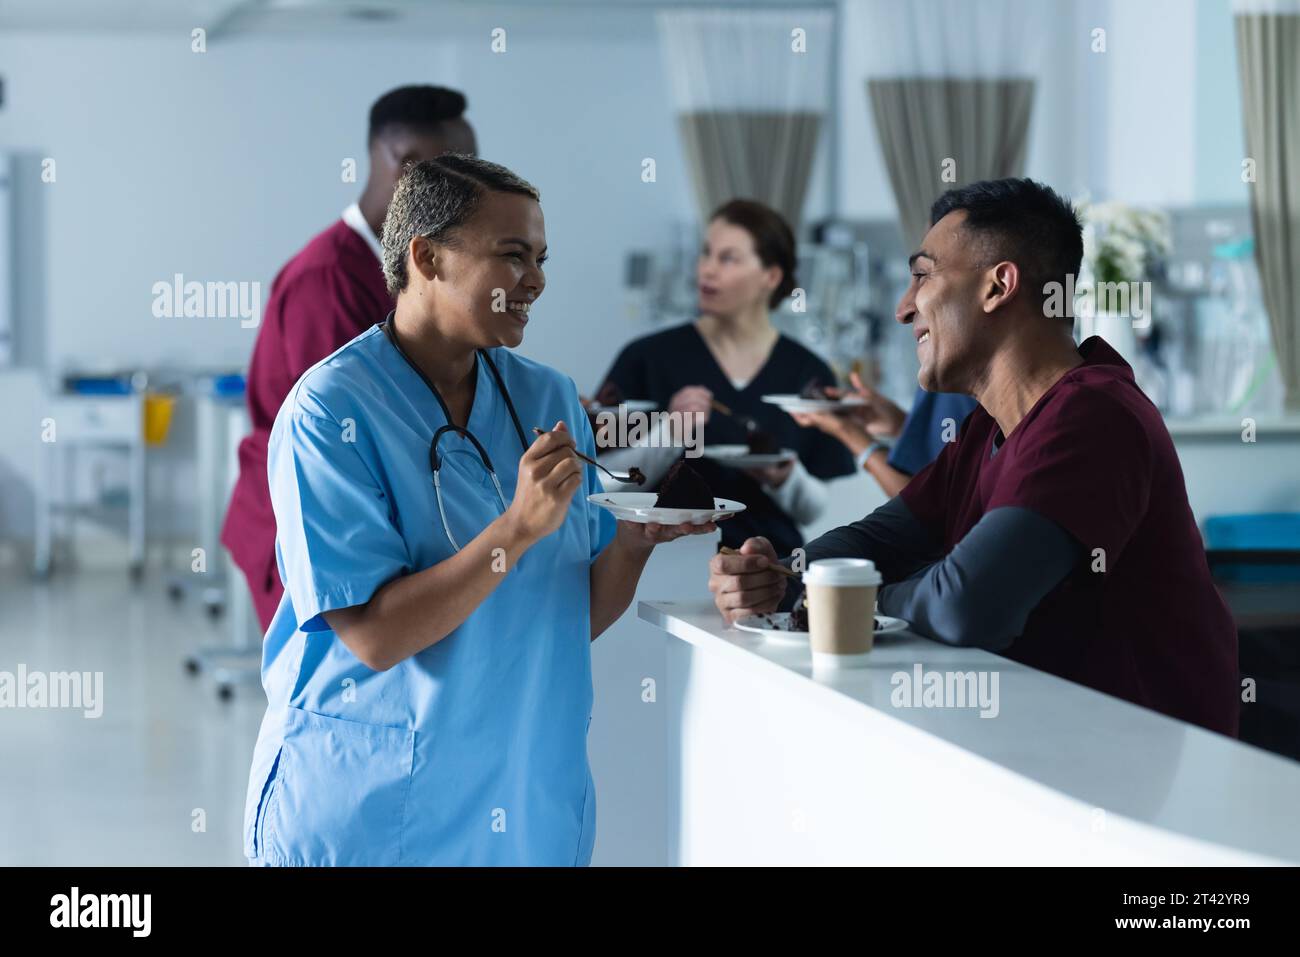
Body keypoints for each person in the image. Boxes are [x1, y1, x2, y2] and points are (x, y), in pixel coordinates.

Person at [243, 156, 717, 867]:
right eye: (512, 255)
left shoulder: (549, 400)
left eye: (541, 259)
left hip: (521, 802)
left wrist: (631, 543)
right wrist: (516, 528)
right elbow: (373, 635)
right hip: (372, 806)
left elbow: (564, 615)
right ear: (427, 257)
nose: (536, 280)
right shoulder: (330, 413)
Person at [708, 178, 1239, 736]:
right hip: (1050, 754)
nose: (903, 308)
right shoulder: (986, 426)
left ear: (998, 287)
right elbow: (875, 541)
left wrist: (834, 597)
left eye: (921, 276)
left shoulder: (1092, 417)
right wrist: (783, 575)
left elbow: (965, 606)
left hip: (1137, 776)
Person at [223, 85, 477, 630]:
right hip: (310, 527)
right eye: (461, 172)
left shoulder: (405, 268)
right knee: (339, 697)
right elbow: (355, 431)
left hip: (361, 518)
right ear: (406, 164)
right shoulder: (331, 278)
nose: (476, 191)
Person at [594, 199, 855, 557]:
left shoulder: (808, 373)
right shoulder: (646, 358)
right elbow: (605, 484)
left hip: (768, 565)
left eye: (728, 258)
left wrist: (786, 479)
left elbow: (812, 509)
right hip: (660, 563)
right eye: (706, 254)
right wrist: (669, 434)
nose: (707, 270)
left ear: (771, 276)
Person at [793, 373, 979, 498]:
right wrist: (902, 425)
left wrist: (848, 432)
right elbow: (943, 452)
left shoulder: (956, 373)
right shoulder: (939, 368)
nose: (901, 314)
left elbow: (928, 505)